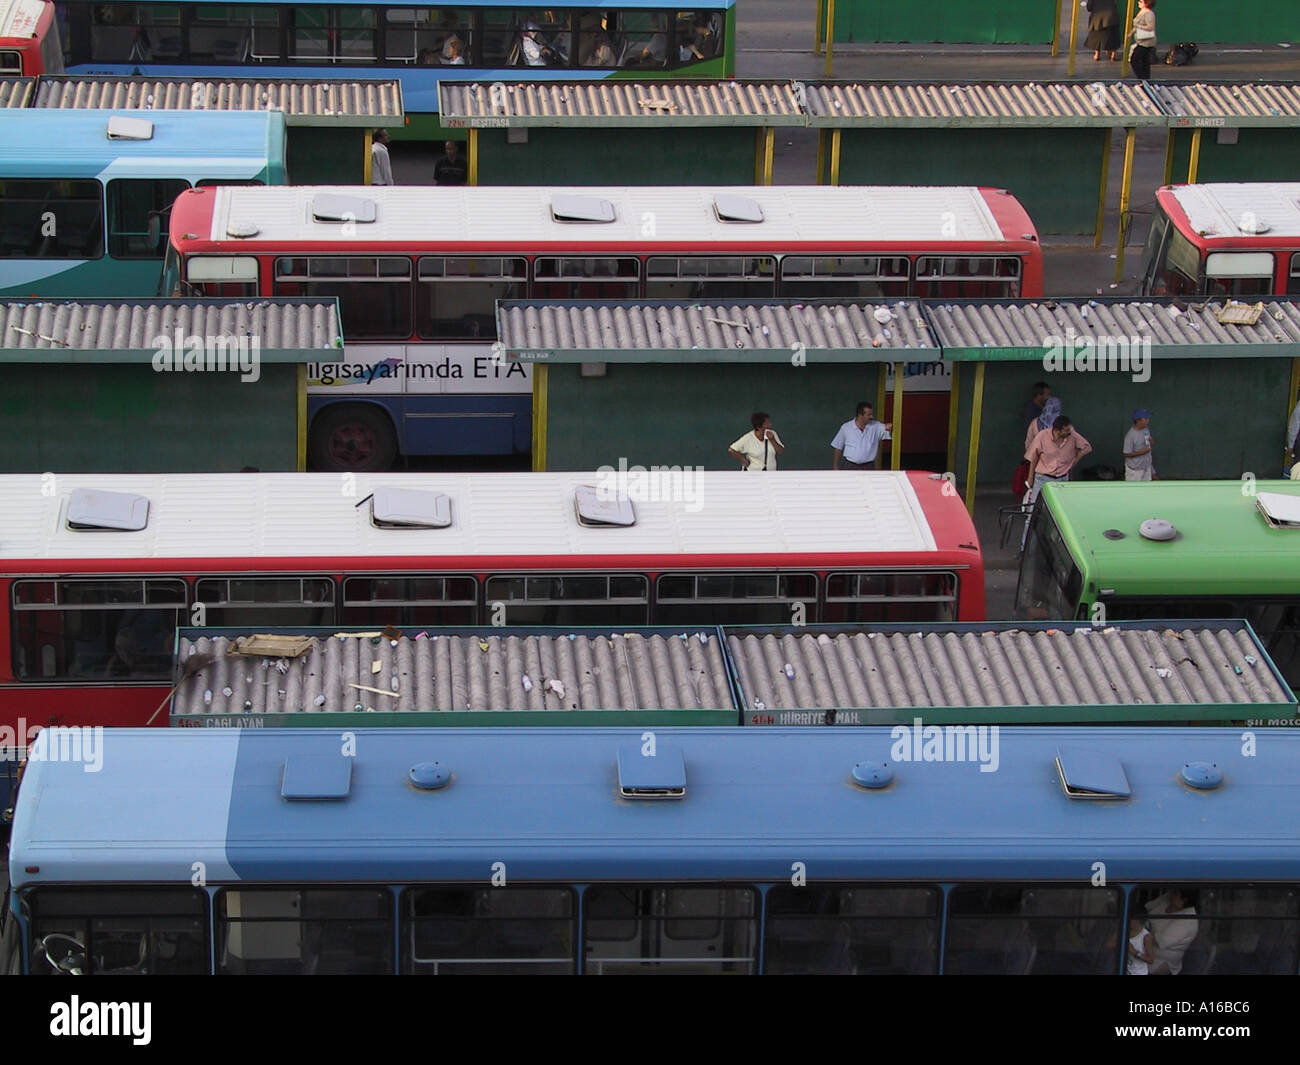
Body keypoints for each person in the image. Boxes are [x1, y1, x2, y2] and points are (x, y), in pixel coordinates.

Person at [1024, 414, 1093, 505]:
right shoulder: (1042, 436)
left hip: (1062, 478)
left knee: (1061, 505)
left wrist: (1074, 461)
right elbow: (1034, 457)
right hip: (1043, 478)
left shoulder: (1072, 436)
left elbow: (1086, 447)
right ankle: (1029, 520)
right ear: (1057, 431)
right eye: (1066, 430)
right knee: (1034, 506)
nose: (1069, 432)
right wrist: (1030, 478)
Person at [1145, 889, 1198, 975]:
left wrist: (1147, 926)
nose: (1171, 895)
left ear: (1185, 899)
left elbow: (1161, 941)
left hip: (1159, 963)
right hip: (1144, 948)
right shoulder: (1167, 900)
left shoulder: (1188, 919)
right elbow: (1147, 907)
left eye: (1175, 893)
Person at [832, 401, 892, 470]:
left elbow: (889, 430)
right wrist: (835, 466)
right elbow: (838, 447)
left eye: (871, 414)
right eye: (868, 415)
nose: (871, 417)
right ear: (860, 415)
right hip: (849, 466)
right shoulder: (846, 427)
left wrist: (890, 427)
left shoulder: (876, 426)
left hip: (868, 466)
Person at [1123, 408, 1156, 481]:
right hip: (1135, 470)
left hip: (1146, 466)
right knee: (1133, 491)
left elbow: (1150, 442)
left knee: (1146, 490)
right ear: (1138, 420)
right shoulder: (1130, 435)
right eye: (1145, 418)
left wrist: (1152, 441)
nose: (1148, 420)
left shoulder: (1145, 429)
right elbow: (1126, 454)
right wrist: (1141, 452)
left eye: (1148, 418)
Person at [1128, 0, 1157, 81]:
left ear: (1146, 3)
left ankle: (1141, 77)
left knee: (1135, 59)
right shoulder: (1142, 12)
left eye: (1140, 1)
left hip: (1146, 41)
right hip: (1142, 40)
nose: (1138, 2)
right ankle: (1145, 77)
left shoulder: (1148, 14)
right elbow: (1136, 25)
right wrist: (1130, 33)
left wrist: (1139, 26)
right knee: (1144, 59)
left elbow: (1150, 27)